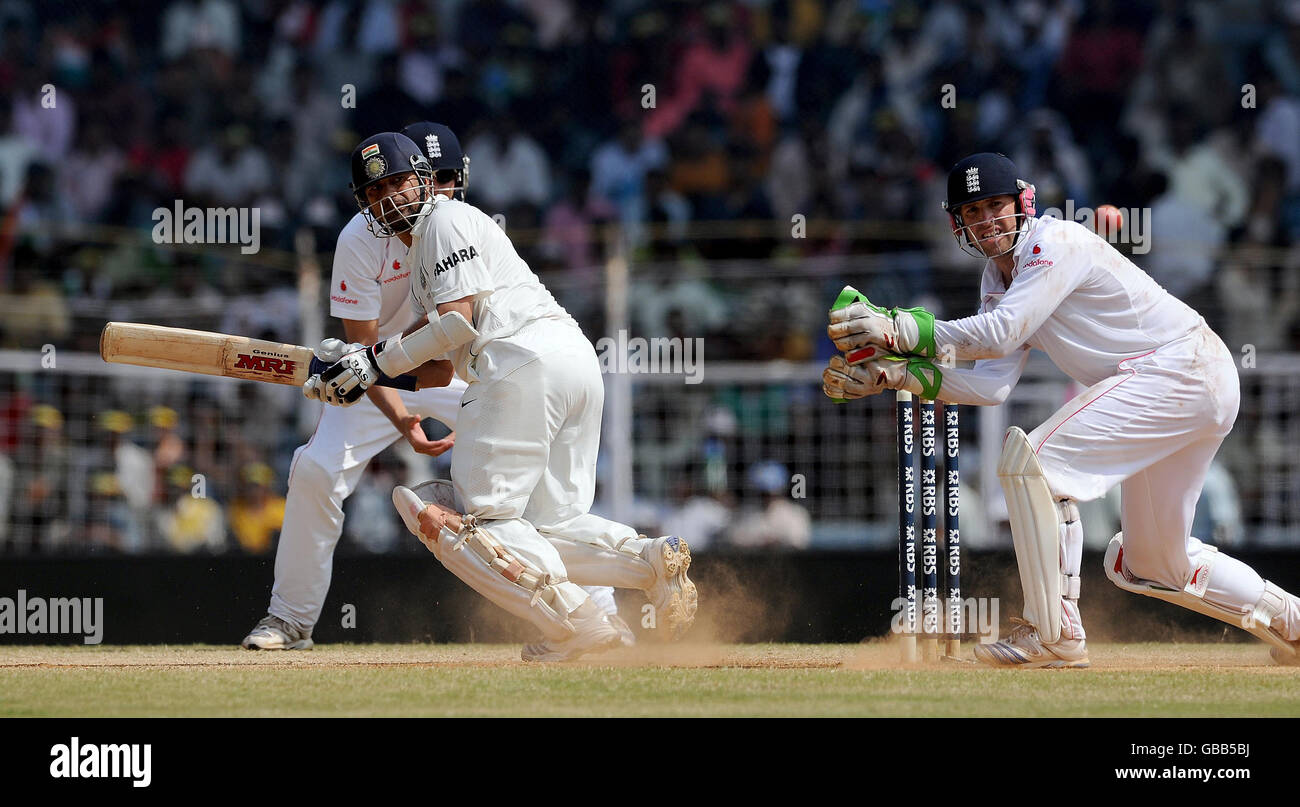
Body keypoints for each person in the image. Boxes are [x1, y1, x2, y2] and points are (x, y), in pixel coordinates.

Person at [822, 152, 1300, 668]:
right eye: (973, 211)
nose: (986, 220)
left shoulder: (1054, 242)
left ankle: (1053, 634)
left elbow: (1000, 334)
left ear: (1021, 203)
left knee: (1034, 466)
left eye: (995, 205)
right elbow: (991, 384)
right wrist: (895, 374)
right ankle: (1293, 624)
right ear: (956, 222)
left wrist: (900, 330)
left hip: (1179, 368)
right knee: (1149, 563)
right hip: (1184, 382)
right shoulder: (996, 279)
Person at [303, 131, 698, 662]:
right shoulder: (439, 238)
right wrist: (357, 379)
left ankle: (579, 624)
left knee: (473, 521)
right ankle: (650, 561)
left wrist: (370, 360)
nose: (388, 198)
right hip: (573, 365)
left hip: (519, 364)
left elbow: (456, 325)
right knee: (544, 526)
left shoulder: (441, 220)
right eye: (374, 193)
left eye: (396, 182)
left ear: (423, 179)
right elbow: (440, 369)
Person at [240, 123, 470, 651]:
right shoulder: (357, 240)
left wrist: (421, 380)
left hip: (457, 368)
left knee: (524, 460)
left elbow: (452, 344)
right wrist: (406, 421)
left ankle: (591, 613)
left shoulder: (464, 227)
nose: (402, 197)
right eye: (378, 189)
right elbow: (365, 351)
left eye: (443, 180)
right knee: (316, 469)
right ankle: (290, 620)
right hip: (383, 373)